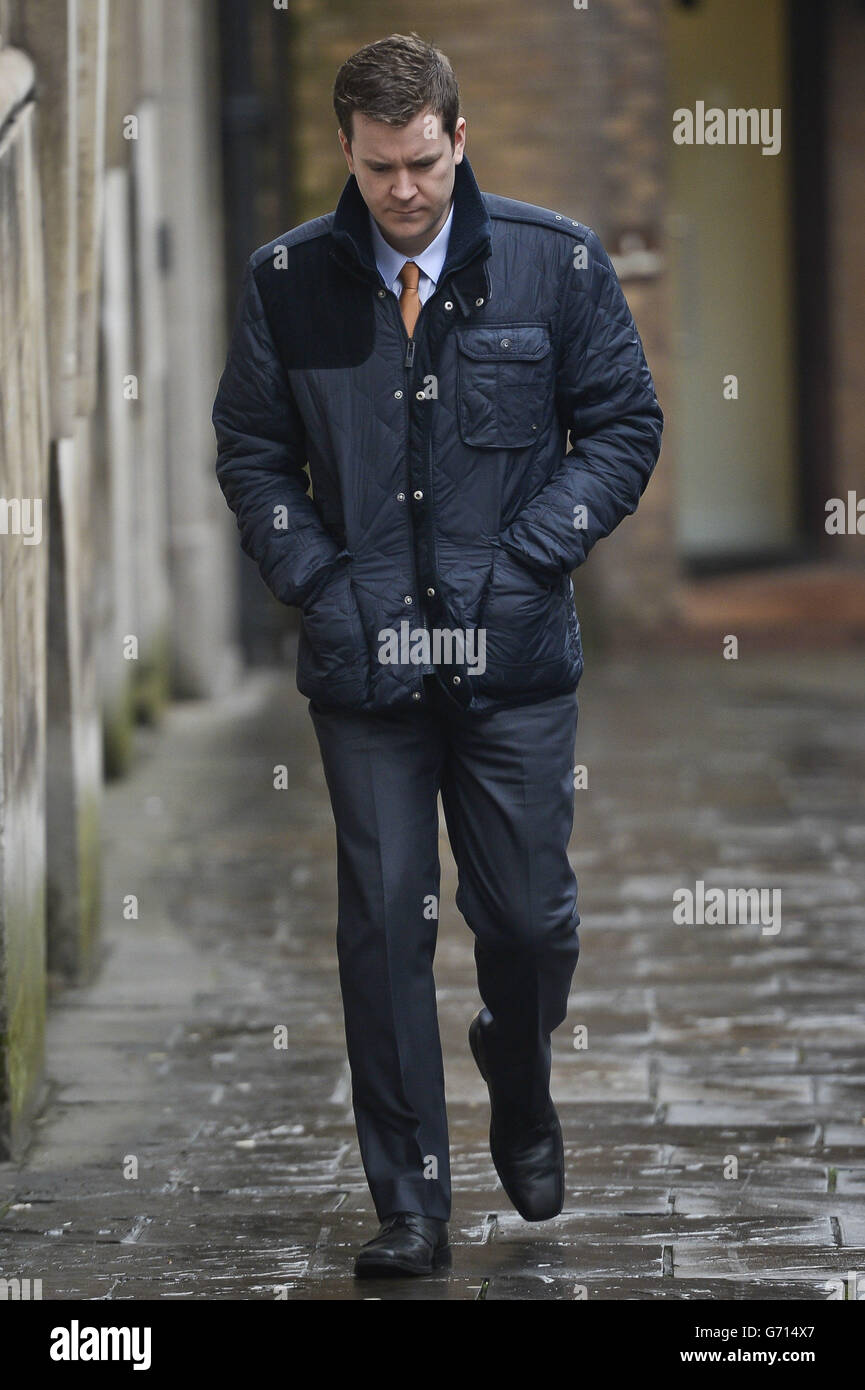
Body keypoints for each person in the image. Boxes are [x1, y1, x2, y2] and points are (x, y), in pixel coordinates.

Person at [212, 31, 663, 1279]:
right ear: (345, 156)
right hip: (367, 675)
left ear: (458, 139)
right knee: (382, 925)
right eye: (376, 169)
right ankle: (409, 1203)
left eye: (421, 162)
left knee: (526, 923)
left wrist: (526, 562)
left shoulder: (552, 264)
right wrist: (316, 581)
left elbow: (624, 424)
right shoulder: (288, 281)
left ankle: (517, 1075)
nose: (402, 190)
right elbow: (251, 452)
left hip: (510, 662)